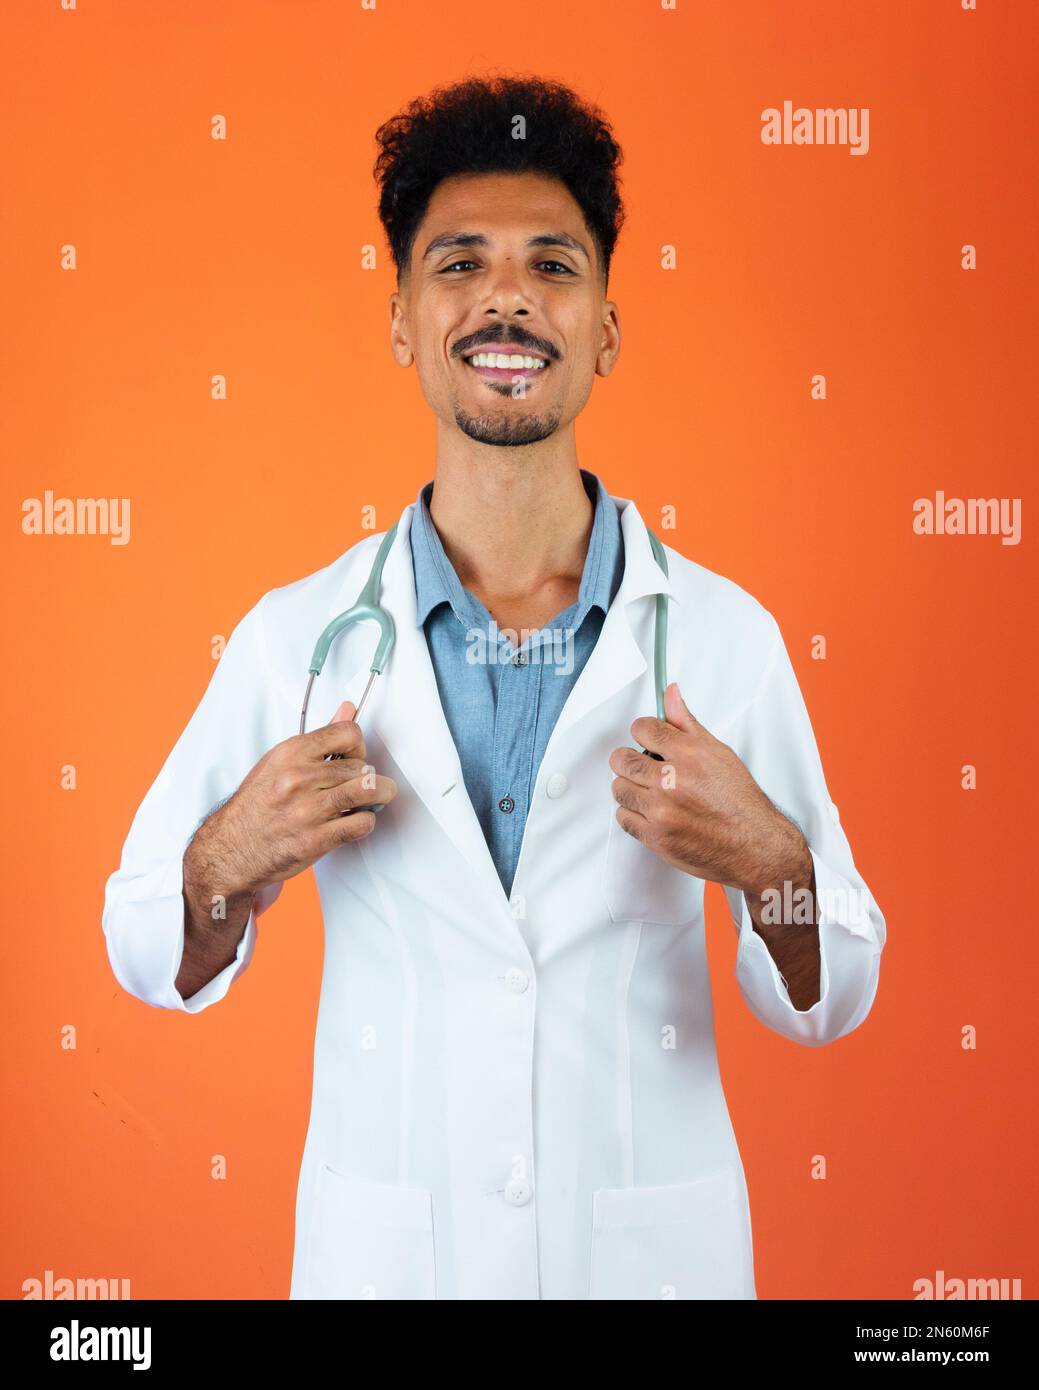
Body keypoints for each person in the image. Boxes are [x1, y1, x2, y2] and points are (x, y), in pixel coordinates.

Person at [102, 75, 886, 1300]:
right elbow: (148, 941)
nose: (506, 297)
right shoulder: (298, 641)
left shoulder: (724, 639)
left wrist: (773, 868)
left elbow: (827, 996)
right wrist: (227, 860)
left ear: (608, 330)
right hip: (390, 1268)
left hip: (646, 1268)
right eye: (459, 264)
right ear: (404, 323)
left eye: (553, 266)